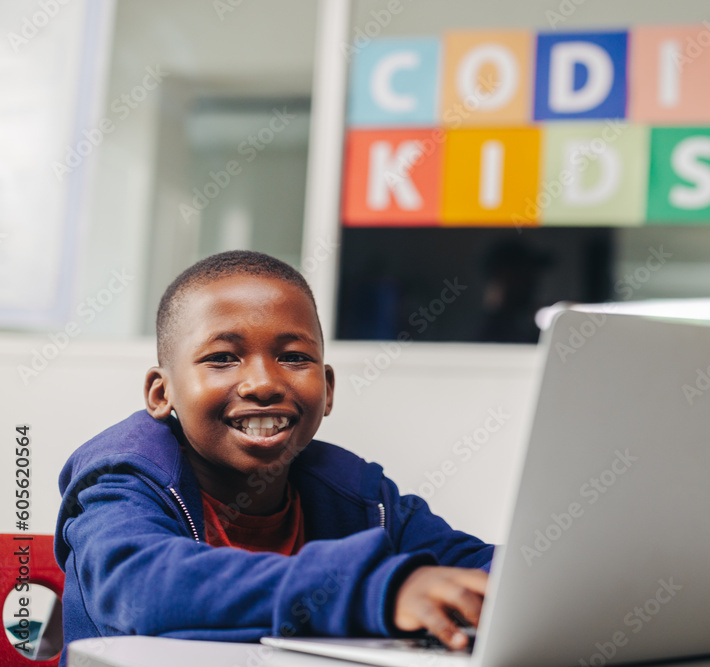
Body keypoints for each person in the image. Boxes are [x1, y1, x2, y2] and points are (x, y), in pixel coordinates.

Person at [54, 250, 493, 665]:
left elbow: (480, 570)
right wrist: (377, 591)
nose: (263, 383)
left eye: (293, 357)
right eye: (222, 358)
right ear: (161, 392)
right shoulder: (122, 482)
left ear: (328, 389)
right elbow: (143, 588)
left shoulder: (360, 495)